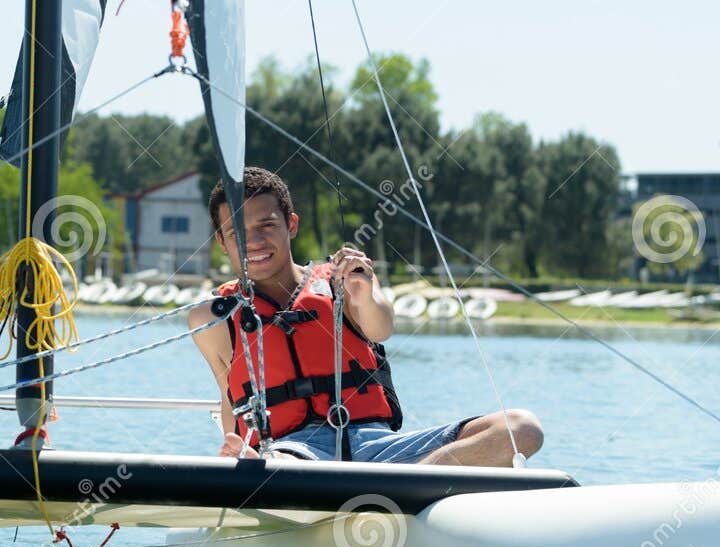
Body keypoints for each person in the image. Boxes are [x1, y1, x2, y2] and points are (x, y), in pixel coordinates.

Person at [186, 166, 541, 466]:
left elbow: (380, 327)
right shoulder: (213, 316)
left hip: (377, 445)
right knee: (277, 464)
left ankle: (408, 481)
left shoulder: (345, 280)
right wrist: (235, 464)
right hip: (292, 452)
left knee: (523, 429)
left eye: (267, 225)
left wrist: (365, 293)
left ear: (291, 224)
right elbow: (230, 394)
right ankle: (384, 485)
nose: (255, 241)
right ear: (221, 240)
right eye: (238, 232)